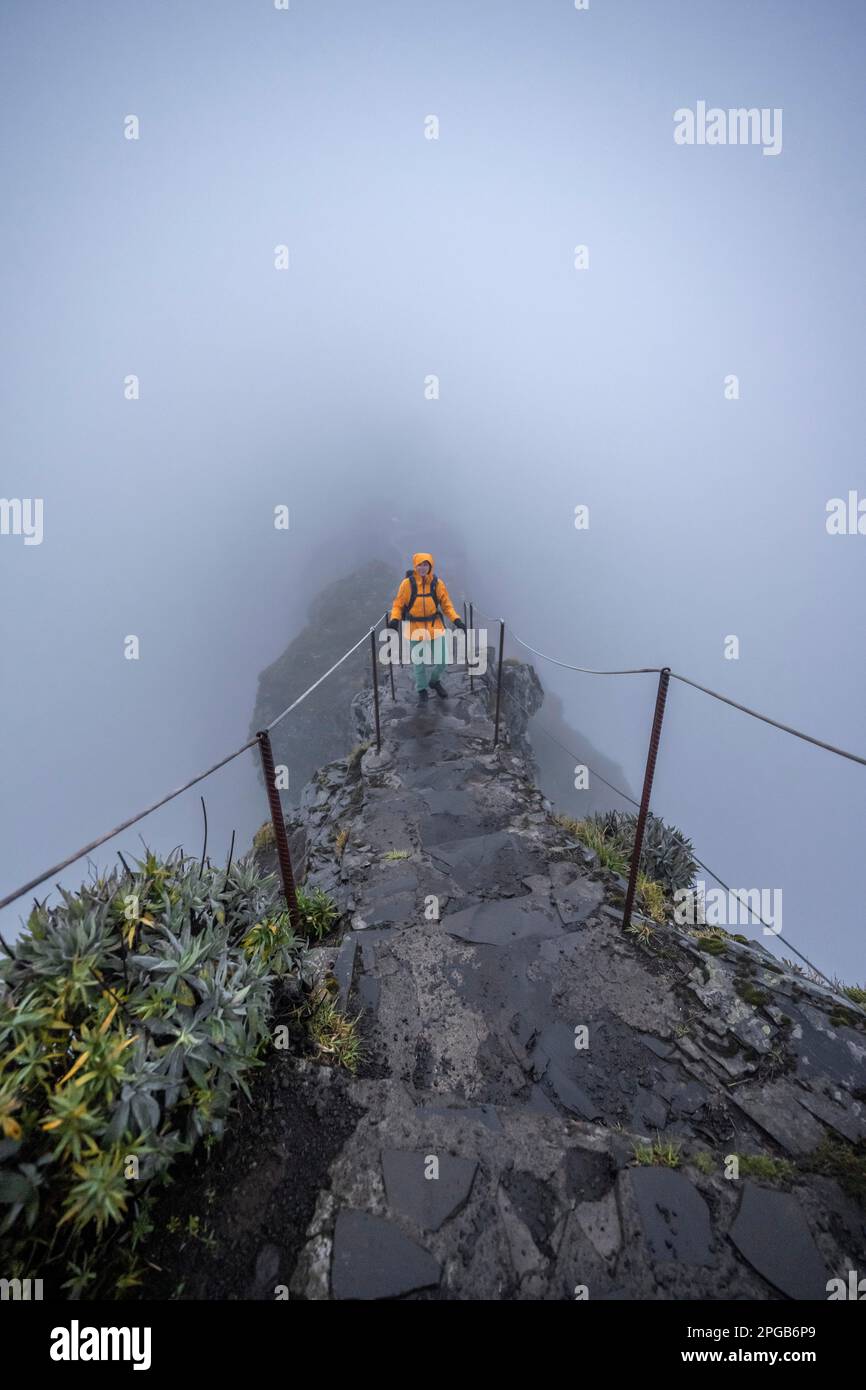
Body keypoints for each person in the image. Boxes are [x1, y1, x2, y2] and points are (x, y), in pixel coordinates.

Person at [387, 552, 465, 703]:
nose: (422, 568)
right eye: (419, 565)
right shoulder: (407, 584)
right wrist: (395, 619)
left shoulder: (437, 583)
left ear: (430, 566)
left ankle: (434, 681)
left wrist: (457, 620)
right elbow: (398, 604)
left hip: (434, 626)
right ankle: (422, 688)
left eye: (425, 565)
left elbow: (446, 605)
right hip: (414, 627)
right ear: (415, 566)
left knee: (442, 659)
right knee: (419, 662)